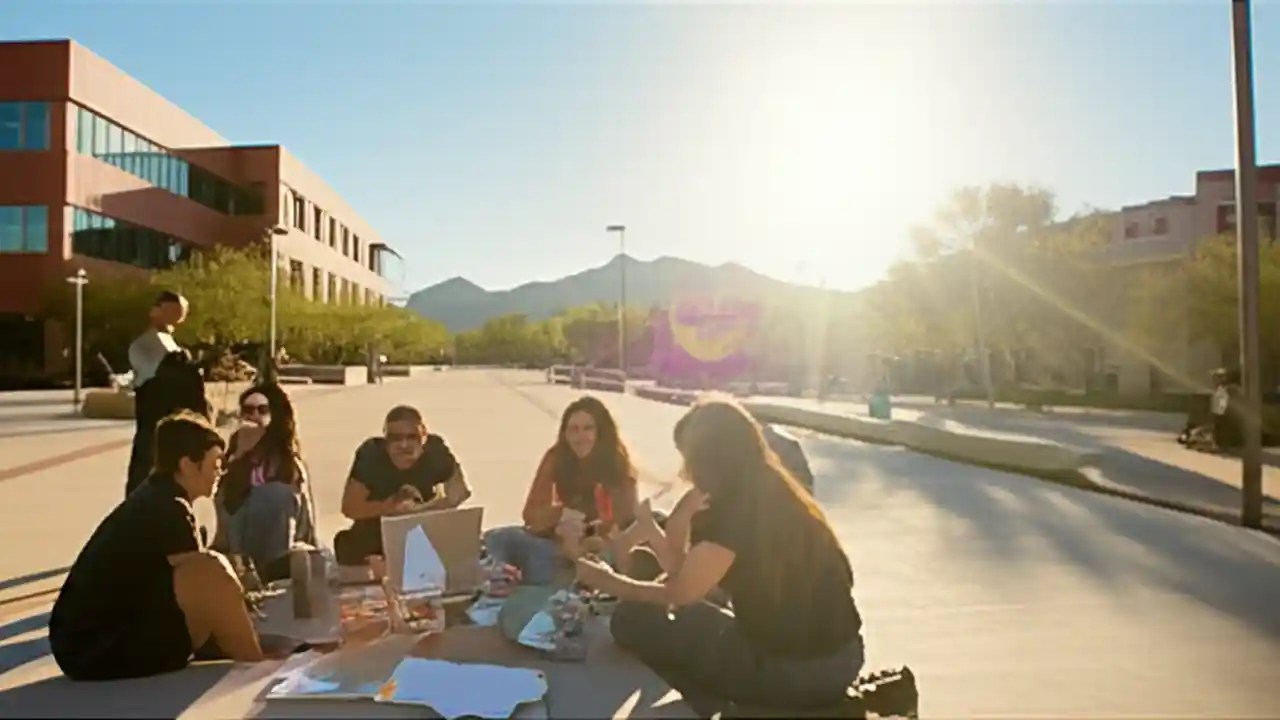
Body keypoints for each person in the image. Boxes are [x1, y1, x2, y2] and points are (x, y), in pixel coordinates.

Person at [574, 397, 865, 713]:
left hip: (794, 672)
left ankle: (725, 704)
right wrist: (676, 520)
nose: (686, 470)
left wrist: (610, 581)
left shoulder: (732, 511)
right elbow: (688, 575)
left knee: (633, 619)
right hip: (845, 657)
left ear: (709, 457)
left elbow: (680, 592)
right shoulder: (774, 487)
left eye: (689, 458)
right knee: (687, 613)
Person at [50, 411, 269, 681]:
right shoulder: (166, 507)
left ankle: (255, 655)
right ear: (188, 464)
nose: (219, 473)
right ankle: (258, 669)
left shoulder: (156, 496)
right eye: (215, 464)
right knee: (210, 569)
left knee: (208, 568)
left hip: (83, 647)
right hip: (97, 650)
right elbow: (206, 587)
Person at [484, 396, 639, 585]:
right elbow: (530, 514)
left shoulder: (617, 466)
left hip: (601, 550)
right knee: (497, 538)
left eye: (588, 429)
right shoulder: (556, 457)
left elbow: (625, 524)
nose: (580, 437)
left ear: (602, 432)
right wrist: (560, 514)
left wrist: (589, 540)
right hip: (557, 543)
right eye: (573, 430)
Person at [333, 405, 471, 566]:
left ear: (424, 437)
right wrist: (390, 507)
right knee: (346, 546)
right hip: (378, 532)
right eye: (395, 438)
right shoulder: (371, 455)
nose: (403, 445)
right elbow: (350, 508)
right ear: (385, 440)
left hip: (423, 530)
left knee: (464, 539)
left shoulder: (435, 451)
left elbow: (460, 493)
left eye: (412, 437)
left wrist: (422, 511)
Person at [212, 384, 317, 582]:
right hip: (237, 559)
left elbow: (304, 528)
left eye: (262, 410)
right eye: (247, 410)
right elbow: (222, 518)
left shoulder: (287, 465)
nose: (253, 417)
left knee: (273, 494)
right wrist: (237, 458)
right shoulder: (233, 459)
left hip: (279, 561)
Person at [126, 291, 203, 496]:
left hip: (175, 423)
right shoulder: (143, 344)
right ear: (155, 310)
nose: (178, 316)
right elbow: (149, 375)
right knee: (146, 473)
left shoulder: (169, 342)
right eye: (172, 310)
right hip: (154, 423)